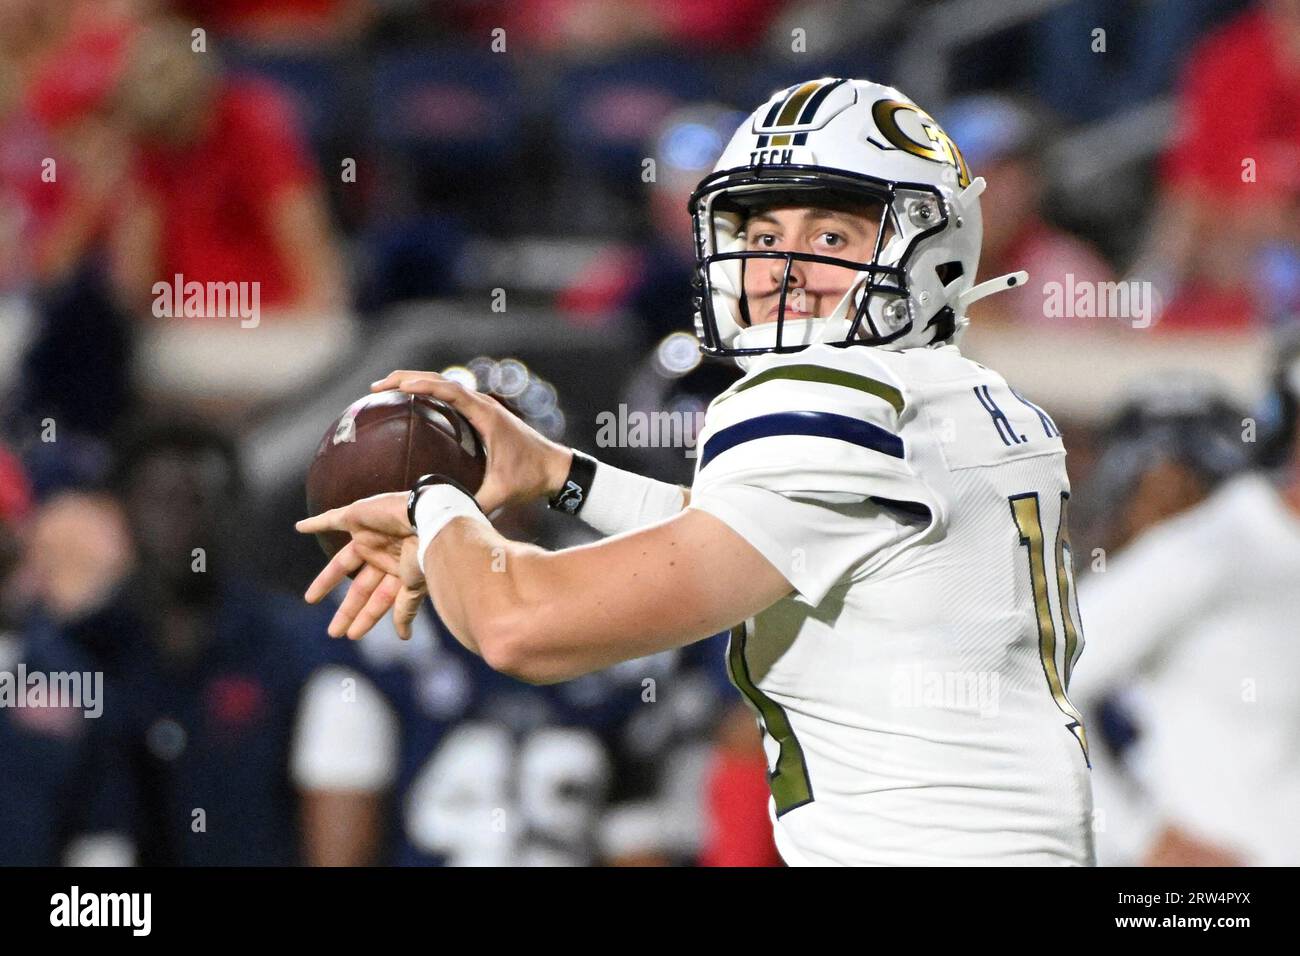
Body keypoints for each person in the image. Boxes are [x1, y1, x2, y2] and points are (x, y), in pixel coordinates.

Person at [298, 78, 1095, 866]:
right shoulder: (979, 398)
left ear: (930, 247)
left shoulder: (833, 399)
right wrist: (562, 474)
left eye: (828, 238)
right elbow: (761, 535)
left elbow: (520, 628)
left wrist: (431, 501)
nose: (780, 267)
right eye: (758, 233)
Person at [1070, 344, 1300, 867]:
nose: (1165, 504)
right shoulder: (1206, 552)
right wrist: (1145, 836)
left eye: (1192, 481)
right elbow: (1039, 680)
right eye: (1147, 484)